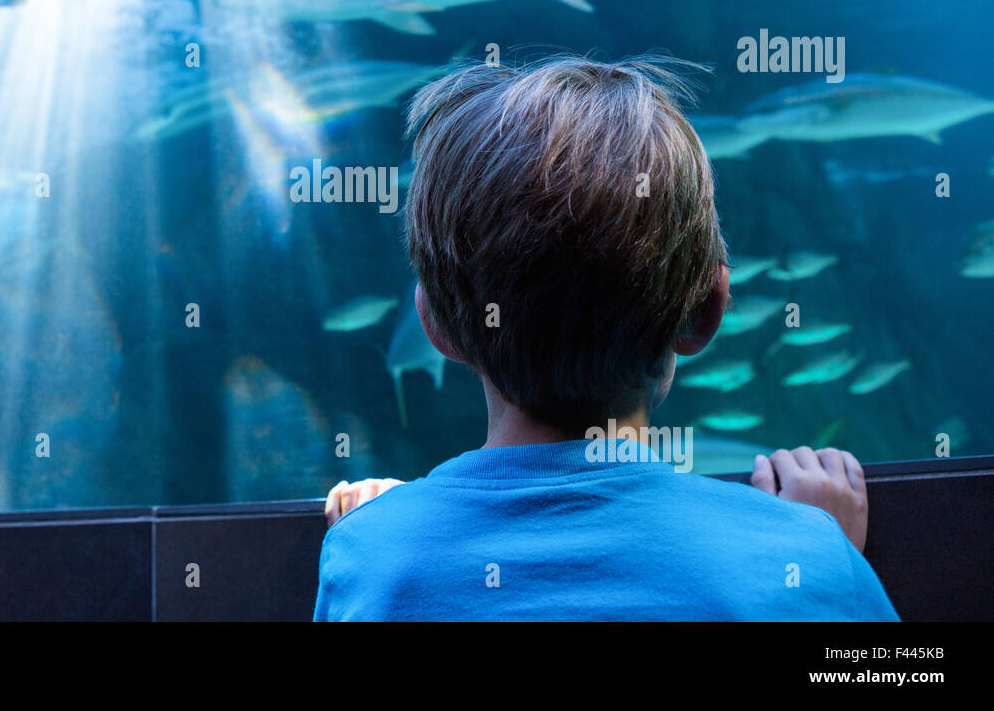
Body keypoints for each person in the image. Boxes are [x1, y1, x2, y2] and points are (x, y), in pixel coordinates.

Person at [313, 54, 899, 621]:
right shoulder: (807, 562)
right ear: (709, 310)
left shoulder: (370, 558)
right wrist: (824, 557)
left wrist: (381, 532)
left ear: (432, 324)